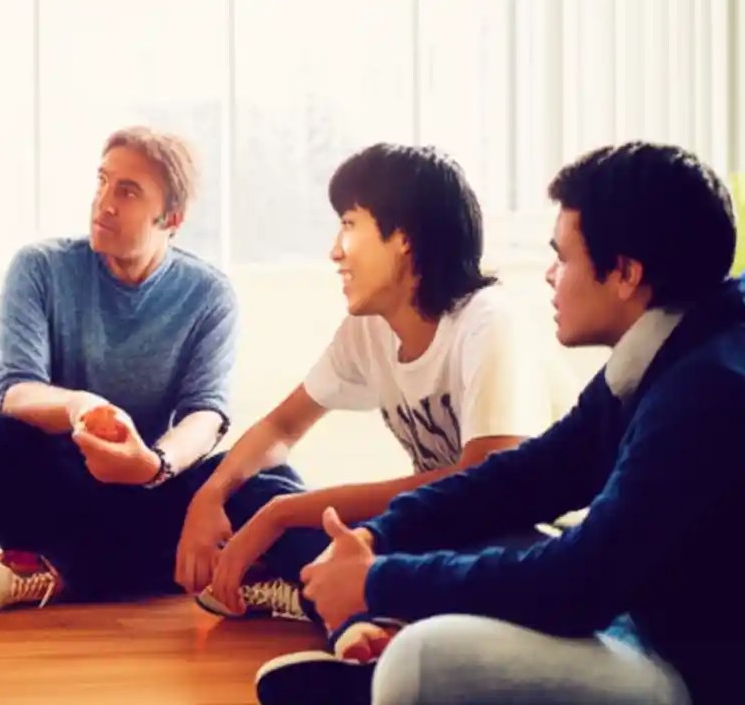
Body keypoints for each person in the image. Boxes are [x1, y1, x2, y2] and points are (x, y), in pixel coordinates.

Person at [257, 142, 741, 705]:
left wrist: (377, 581)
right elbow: (529, 474)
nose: (549, 275)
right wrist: (379, 535)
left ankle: (379, 679)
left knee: (422, 663)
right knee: (497, 532)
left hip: (689, 673)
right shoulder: (668, 348)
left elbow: (580, 582)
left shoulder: (709, 390)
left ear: (626, 274)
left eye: (563, 257)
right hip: (639, 614)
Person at [186, 144, 573, 625]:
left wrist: (283, 515)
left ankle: (352, 611)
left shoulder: (488, 324)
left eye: (349, 224)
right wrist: (212, 494)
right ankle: (361, 612)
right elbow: (281, 427)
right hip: (431, 532)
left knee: (484, 558)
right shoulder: (369, 328)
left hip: (520, 536)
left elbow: (487, 484)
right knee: (255, 492)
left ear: (405, 238)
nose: (334, 250)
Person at [0, 125, 253, 616]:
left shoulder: (209, 295)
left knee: (262, 479)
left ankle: (56, 573)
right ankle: (158, 573)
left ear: (171, 218)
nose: (104, 203)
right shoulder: (40, 268)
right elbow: (16, 391)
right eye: (103, 182)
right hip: (65, 481)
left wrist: (153, 466)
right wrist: (79, 406)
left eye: (128, 192)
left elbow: (206, 414)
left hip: (150, 484)